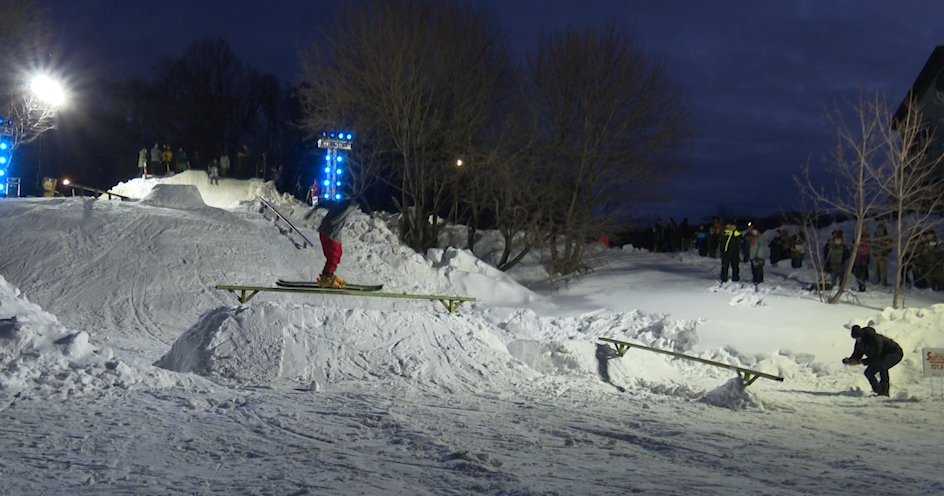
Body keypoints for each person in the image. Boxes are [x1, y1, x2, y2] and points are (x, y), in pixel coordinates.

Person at [842, 325, 903, 397]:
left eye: (858, 337)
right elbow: (857, 355)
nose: (857, 340)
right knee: (868, 372)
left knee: (882, 366)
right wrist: (850, 360)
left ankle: (884, 391)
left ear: (862, 335)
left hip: (895, 353)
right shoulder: (859, 343)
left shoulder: (875, 339)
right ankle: (878, 390)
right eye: (855, 338)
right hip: (881, 357)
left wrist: (860, 362)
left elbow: (876, 358)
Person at [316, 198, 359, 288]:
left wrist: (322, 204)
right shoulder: (349, 205)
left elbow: (332, 204)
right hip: (331, 232)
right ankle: (326, 278)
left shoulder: (345, 203)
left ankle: (328, 274)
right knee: (334, 255)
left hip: (328, 231)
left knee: (335, 254)